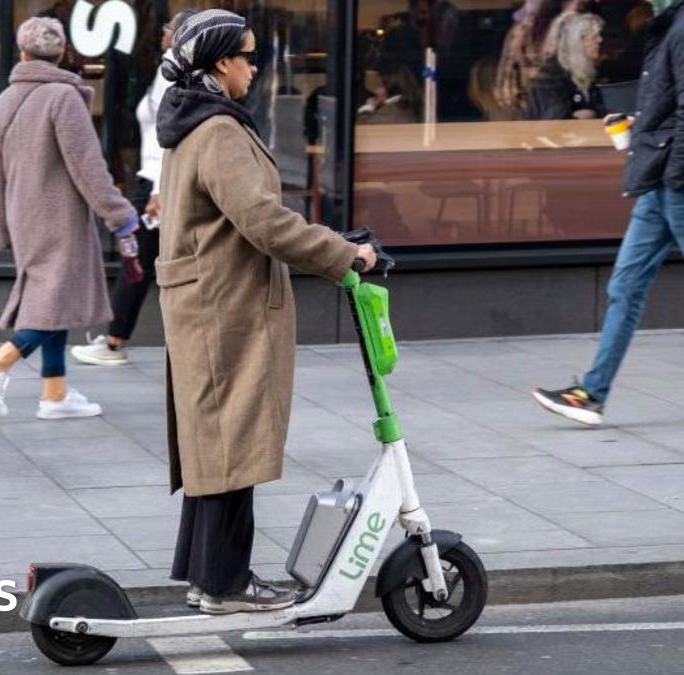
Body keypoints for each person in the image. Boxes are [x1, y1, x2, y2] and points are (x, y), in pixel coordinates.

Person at [154, 9, 377, 614]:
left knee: (215, 443)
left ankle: (206, 577)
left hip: (207, 299)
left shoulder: (190, 120)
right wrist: (345, 254)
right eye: (248, 56)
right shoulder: (219, 131)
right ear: (221, 61)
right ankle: (226, 584)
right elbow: (263, 221)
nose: (256, 66)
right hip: (226, 305)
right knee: (232, 443)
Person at [531, 0, 684, 431]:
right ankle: (591, 393)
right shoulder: (672, 27)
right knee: (625, 285)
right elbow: (678, 107)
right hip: (662, 182)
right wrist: (642, 123)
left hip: (683, 185)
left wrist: (676, 175)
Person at [0, 16, 138, 420]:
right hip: (58, 217)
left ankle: (56, 394)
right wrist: (120, 215)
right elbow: (88, 167)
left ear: (22, 53)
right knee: (54, 300)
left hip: (23, 215)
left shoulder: (1, 103)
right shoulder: (63, 97)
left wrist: (0, 228)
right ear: (62, 53)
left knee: (53, 299)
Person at [70, 10, 197, 367]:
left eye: (168, 28)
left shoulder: (174, 68)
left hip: (158, 182)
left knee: (139, 260)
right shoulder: (173, 67)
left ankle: (113, 342)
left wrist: (158, 189)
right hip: (156, 180)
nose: (161, 33)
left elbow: (168, 134)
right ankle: (114, 339)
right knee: (147, 260)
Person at [493, 0, 583, 118]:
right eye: (574, 4)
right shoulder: (555, 28)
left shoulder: (524, 27)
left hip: (526, 104)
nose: (576, 10)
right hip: (544, 102)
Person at [524, 13, 607, 120]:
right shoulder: (552, 75)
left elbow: (600, 109)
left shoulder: (585, 70)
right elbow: (556, 119)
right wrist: (580, 117)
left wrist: (590, 113)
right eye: (594, 36)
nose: (600, 40)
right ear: (578, 41)